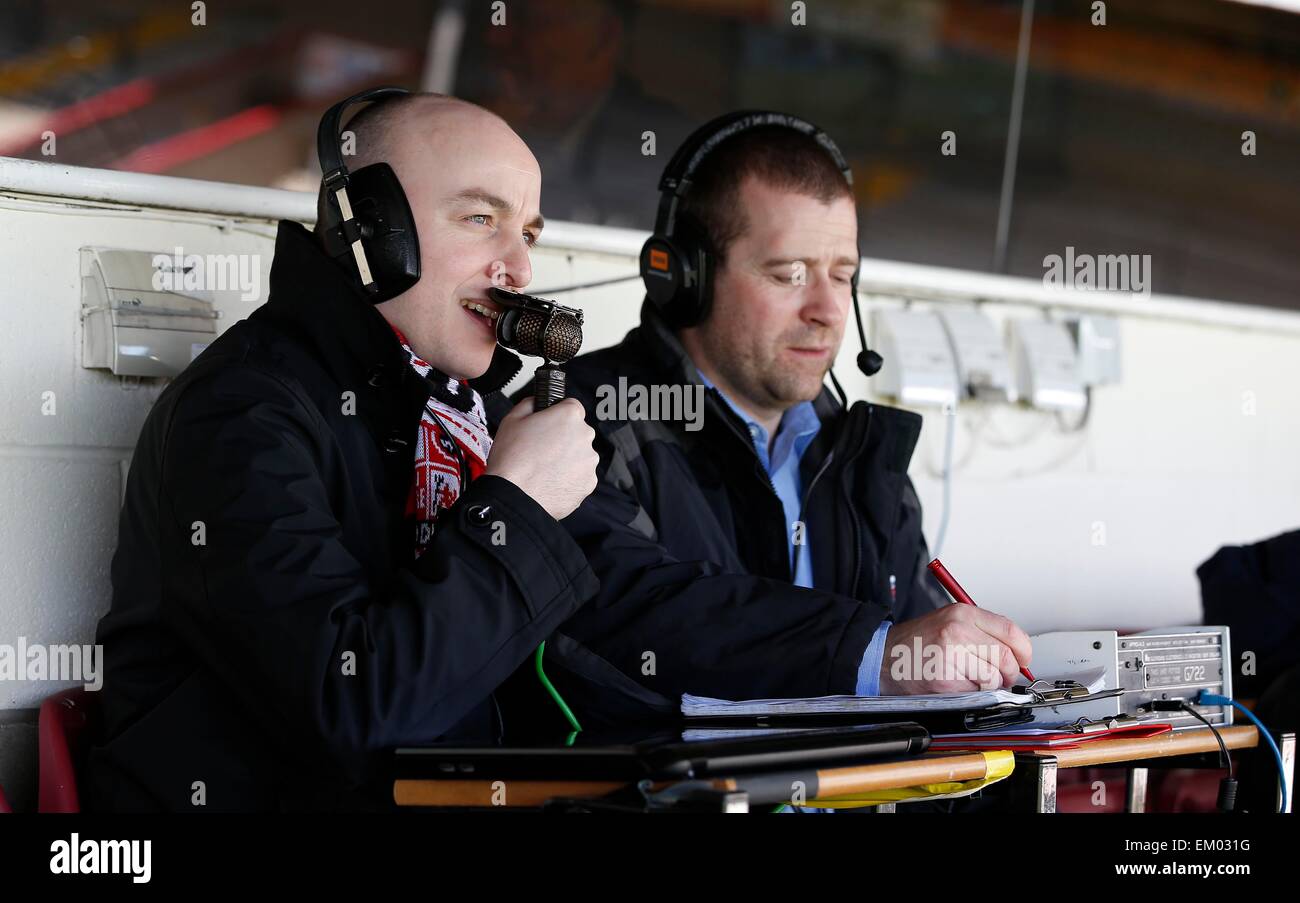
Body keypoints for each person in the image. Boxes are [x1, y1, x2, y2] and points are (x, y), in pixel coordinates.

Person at [90, 90, 599, 811]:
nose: (517, 266)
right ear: (374, 229)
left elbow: (622, 609)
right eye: (481, 219)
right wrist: (512, 509)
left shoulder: (469, 413)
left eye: (531, 234)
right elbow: (352, 708)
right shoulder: (241, 413)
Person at [519, 113, 1033, 729]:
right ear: (685, 278)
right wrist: (878, 652)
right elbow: (624, 613)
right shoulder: (585, 418)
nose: (825, 310)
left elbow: (924, 683)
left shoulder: (862, 455)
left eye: (842, 276)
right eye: (789, 274)